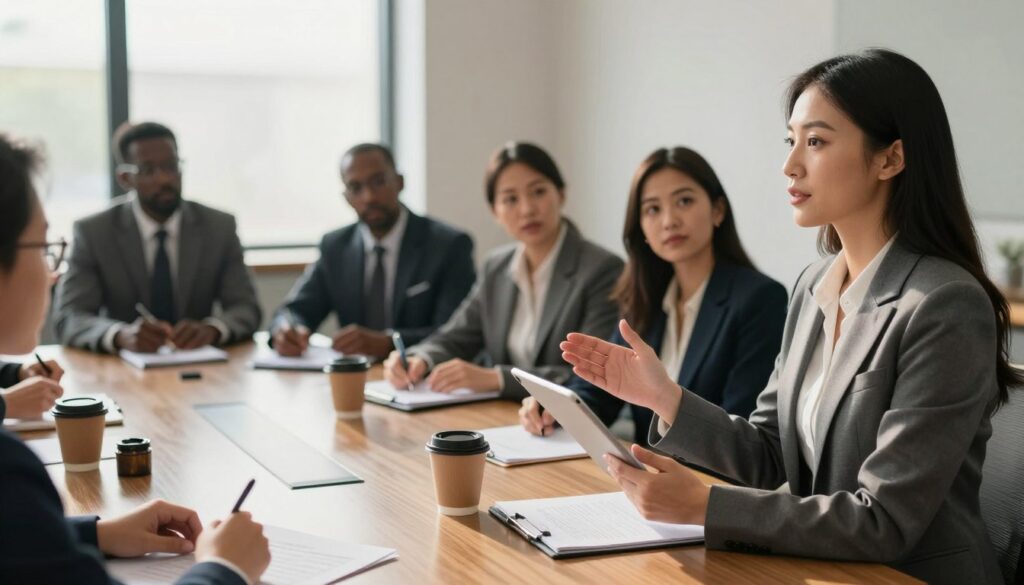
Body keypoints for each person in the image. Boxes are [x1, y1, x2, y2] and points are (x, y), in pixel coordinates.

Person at [560, 49, 1021, 585]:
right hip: (816, 567)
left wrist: (707, 506)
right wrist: (665, 397)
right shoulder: (813, 286)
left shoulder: (944, 304)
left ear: (890, 159)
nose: (790, 165)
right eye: (791, 140)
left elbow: (885, 520)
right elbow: (773, 457)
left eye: (817, 141)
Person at [0, 133, 270, 583]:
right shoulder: (9, 471)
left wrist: (96, 533)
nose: (51, 273)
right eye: (43, 247)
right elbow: (73, 316)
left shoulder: (218, 225)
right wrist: (224, 567)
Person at [519, 147, 787, 445]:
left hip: (709, 484)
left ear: (717, 210)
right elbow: (599, 394)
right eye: (652, 209)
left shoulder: (760, 300)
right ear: (642, 229)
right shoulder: (643, 298)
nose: (669, 220)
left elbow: (743, 431)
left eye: (684, 201)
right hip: (644, 478)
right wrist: (555, 408)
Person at [384, 142, 623, 400]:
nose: (527, 209)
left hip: (563, 425)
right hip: (504, 417)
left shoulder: (602, 269)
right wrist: (420, 358)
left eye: (539, 192)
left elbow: (592, 375)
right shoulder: (496, 267)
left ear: (561, 194)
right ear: (495, 211)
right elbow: (456, 336)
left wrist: (496, 378)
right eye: (510, 199)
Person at [54, 121, 262, 353]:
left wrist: (212, 329)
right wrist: (120, 335)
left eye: (171, 166)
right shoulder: (95, 232)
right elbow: (70, 316)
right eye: (148, 170)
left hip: (201, 367)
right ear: (125, 179)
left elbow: (246, 308)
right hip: (123, 372)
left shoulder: (218, 227)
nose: (164, 179)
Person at [271, 143, 475, 360]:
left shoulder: (448, 245)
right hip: (357, 379)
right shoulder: (336, 247)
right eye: (356, 187)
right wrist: (288, 330)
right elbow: (294, 310)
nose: (369, 197)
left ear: (399, 182)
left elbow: (458, 333)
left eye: (378, 182)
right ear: (347, 197)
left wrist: (389, 342)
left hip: (423, 377)